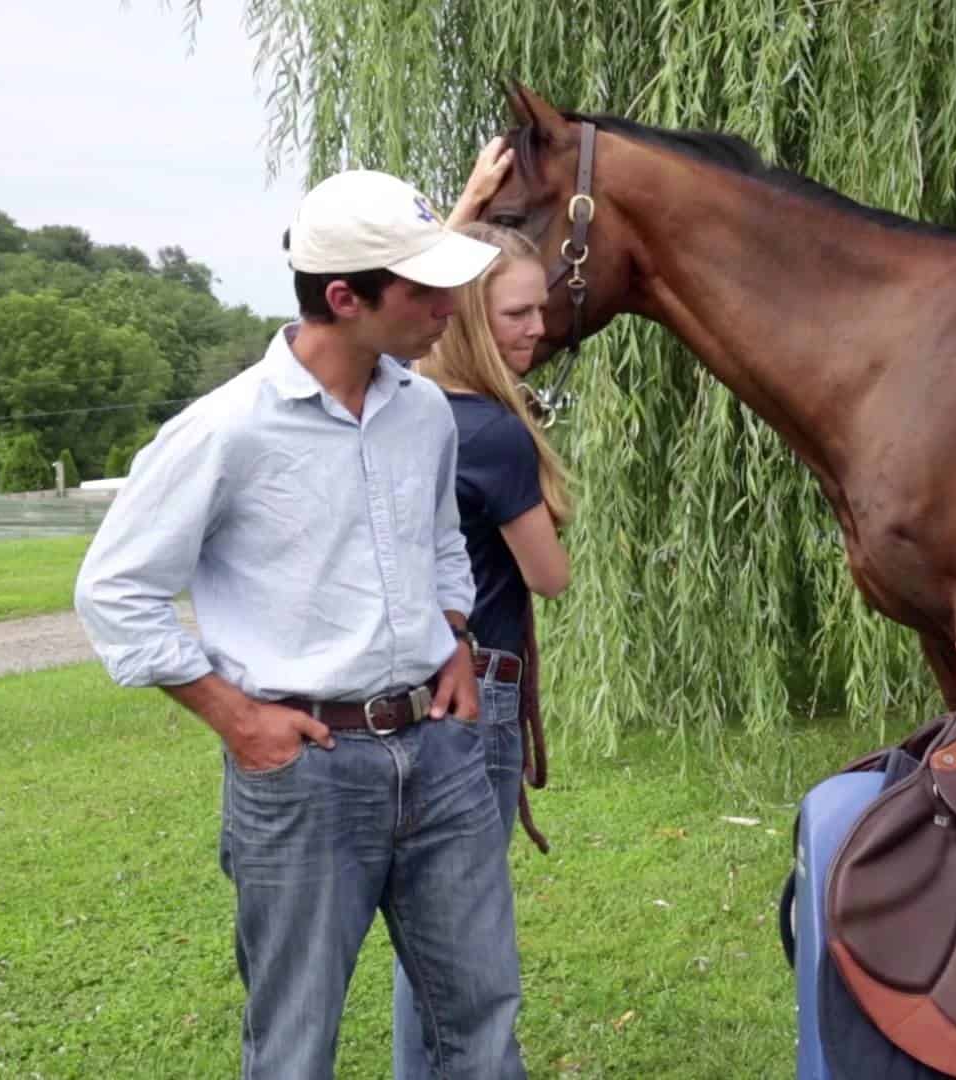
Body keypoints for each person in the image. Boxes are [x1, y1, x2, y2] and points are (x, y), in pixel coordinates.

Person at [73, 167, 528, 1077]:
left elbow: (442, 544)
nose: (449, 302)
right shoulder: (225, 431)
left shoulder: (426, 411)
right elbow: (114, 591)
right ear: (343, 297)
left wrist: (455, 642)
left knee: (480, 1023)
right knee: (294, 1044)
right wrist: (236, 719)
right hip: (307, 775)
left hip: (442, 760)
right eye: (420, 286)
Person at [391, 215, 578, 1078]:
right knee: (465, 934)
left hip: (406, 694)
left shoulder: (402, 412)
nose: (540, 329)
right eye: (517, 315)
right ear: (468, 318)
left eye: (541, 312)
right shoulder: (494, 436)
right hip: (481, 693)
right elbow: (550, 577)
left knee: (426, 929)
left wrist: (466, 205)